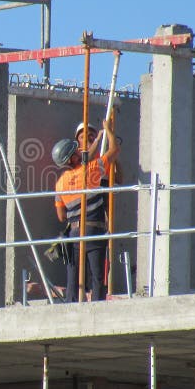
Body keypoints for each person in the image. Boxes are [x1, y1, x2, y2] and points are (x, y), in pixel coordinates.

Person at [53, 118, 120, 302]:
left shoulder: (60, 183)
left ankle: (70, 309)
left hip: (74, 233)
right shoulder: (90, 170)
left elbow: (61, 216)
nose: (78, 150)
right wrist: (109, 131)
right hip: (93, 230)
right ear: (73, 156)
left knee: (73, 278)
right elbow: (114, 151)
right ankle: (97, 308)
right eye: (75, 150)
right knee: (97, 277)